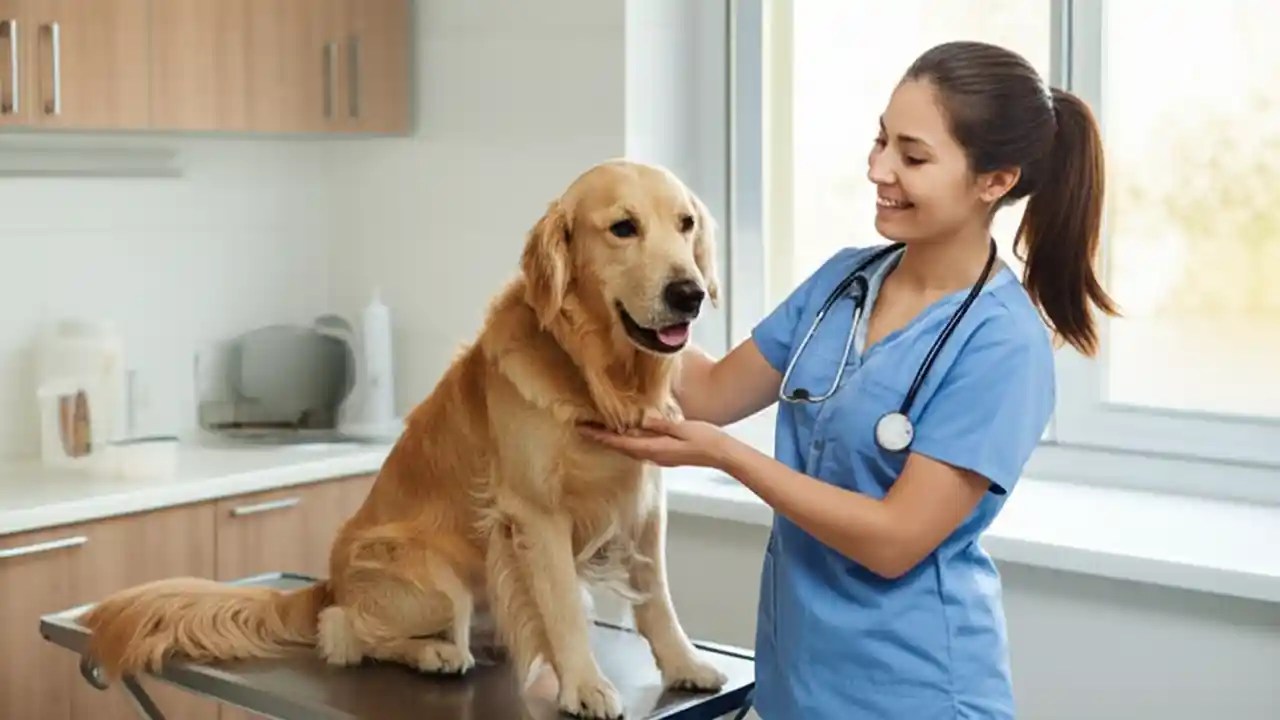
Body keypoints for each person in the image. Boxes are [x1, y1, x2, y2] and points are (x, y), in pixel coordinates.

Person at [579, 40, 1119, 719]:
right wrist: (601, 304)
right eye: (880, 140)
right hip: (795, 687)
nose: (878, 169)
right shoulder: (845, 281)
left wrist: (724, 457)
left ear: (995, 181)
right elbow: (713, 392)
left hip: (913, 694)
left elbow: (894, 541)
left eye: (913, 156)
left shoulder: (1002, 345)